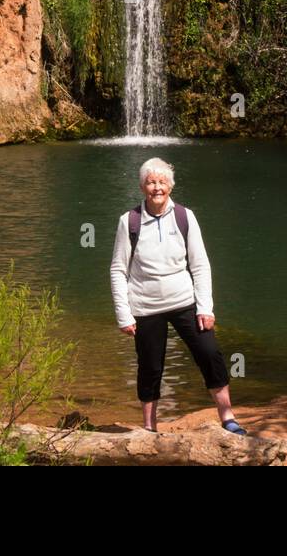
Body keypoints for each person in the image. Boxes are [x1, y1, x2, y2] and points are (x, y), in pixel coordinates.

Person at [109, 157, 248, 435]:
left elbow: (200, 264)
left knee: (210, 353)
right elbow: (117, 269)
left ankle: (228, 416)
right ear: (142, 187)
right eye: (151, 182)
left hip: (185, 301)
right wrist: (123, 313)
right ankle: (149, 426)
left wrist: (205, 307)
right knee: (150, 365)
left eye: (162, 182)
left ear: (170, 186)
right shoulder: (130, 221)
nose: (156, 188)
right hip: (145, 306)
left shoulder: (185, 216)